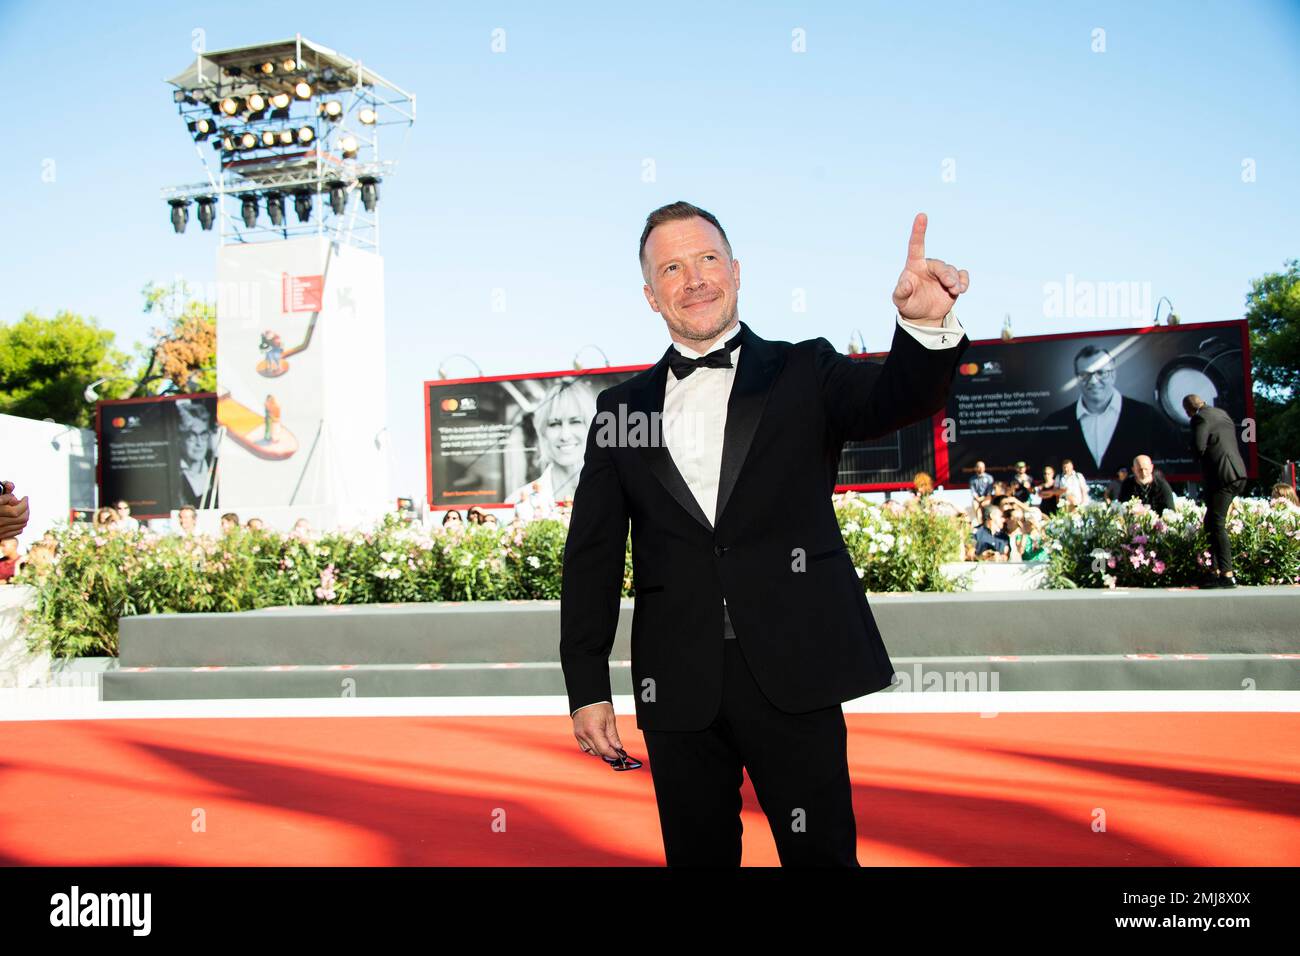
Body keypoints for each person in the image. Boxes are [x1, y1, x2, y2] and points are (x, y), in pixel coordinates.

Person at [560, 202, 970, 866]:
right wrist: (586, 686)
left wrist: (924, 326)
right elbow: (593, 556)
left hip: (793, 671)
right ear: (649, 294)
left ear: (737, 271)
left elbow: (896, 399)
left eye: (707, 260)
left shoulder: (803, 371)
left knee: (823, 860)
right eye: (671, 268)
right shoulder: (620, 409)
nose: (693, 280)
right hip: (676, 685)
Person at [1039, 345, 1184, 476]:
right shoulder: (1055, 421)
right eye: (1085, 375)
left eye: (1101, 373)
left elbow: (1179, 458)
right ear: (1077, 378)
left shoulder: (1146, 415)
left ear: (1113, 374)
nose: (1093, 381)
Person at [1184, 394, 1248, 588]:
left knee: (1216, 524)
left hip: (1222, 477)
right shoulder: (1222, 414)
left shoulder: (1200, 418)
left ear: (1189, 410)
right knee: (1210, 523)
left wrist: (1191, 448)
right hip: (1237, 473)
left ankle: (1227, 575)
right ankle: (1217, 570)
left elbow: (1199, 446)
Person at [531, 379, 598, 503]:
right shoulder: (518, 499)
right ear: (542, 432)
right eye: (554, 424)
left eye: (575, 421)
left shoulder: (620, 491)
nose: (565, 436)